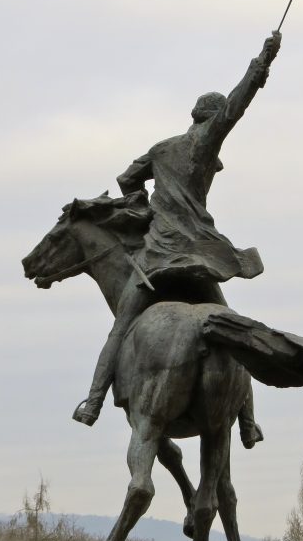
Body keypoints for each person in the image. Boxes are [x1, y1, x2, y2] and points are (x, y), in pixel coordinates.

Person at [73, 30, 282, 433]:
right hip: (195, 260)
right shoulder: (202, 144)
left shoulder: (160, 148)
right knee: (231, 325)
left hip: (155, 256)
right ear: (209, 121)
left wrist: (148, 211)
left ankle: (93, 402)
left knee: (121, 327)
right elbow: (235, 110)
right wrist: (261, 64)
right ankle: (248, 422)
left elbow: (126, 179)